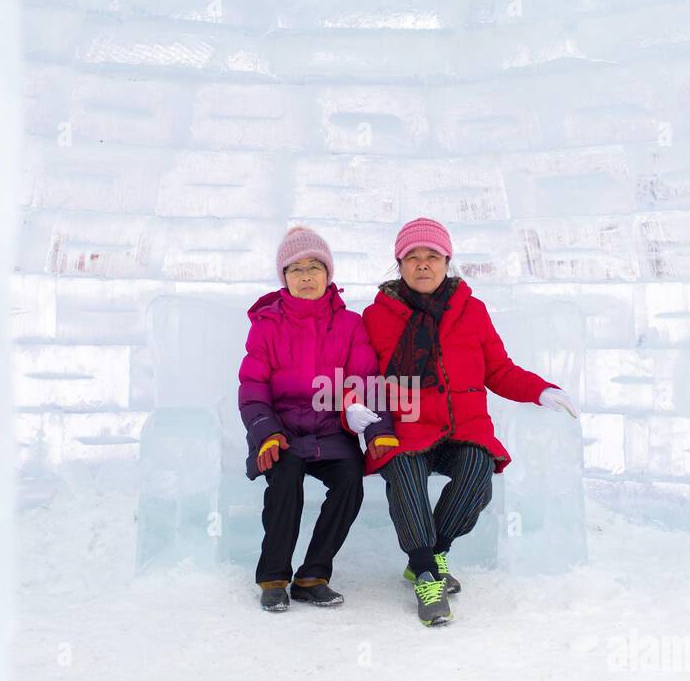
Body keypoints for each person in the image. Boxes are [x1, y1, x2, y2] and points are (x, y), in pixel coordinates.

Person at [362, 217, 580, 626]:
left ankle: (435, 551)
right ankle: (427, 572)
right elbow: (365, 378)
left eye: (432, 256)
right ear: (399, 264)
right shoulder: (377, 317)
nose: (422, 265)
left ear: (447, 262)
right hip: (408, 428)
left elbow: (498, 370)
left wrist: (540, 389)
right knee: (404, 474)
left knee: (478, 472)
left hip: (463, 428)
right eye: (412, 257)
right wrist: (366, 418)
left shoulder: (472, 311)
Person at [238, 226, 399, 613]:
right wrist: (266, 434)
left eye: (315, 267)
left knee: (349, 482)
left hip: (331, 431)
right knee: (285, 478)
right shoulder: (266, 325)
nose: (306, 276)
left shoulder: (350, 324)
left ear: (329, 274)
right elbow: (252, 386)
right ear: (284, 278)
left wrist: (378, 428)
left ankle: (313, 576)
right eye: (295, 269)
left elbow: (367, 381)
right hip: (284, 431)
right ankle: (274, 576)